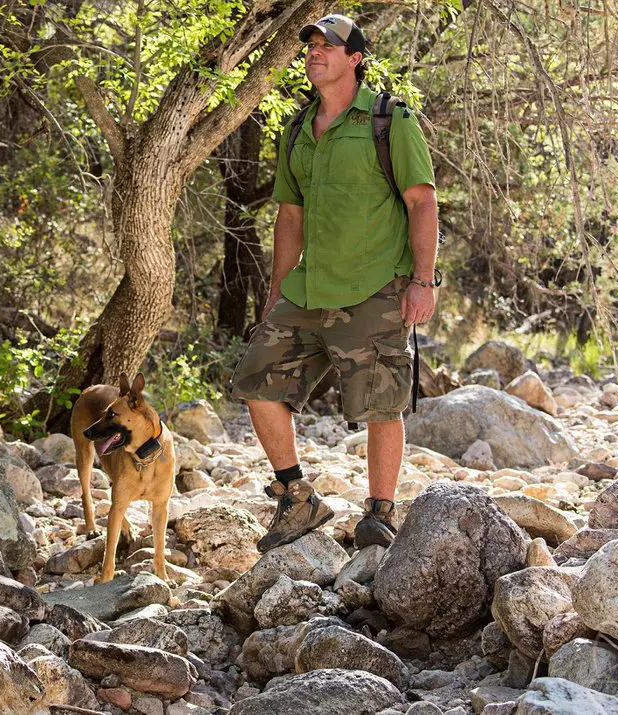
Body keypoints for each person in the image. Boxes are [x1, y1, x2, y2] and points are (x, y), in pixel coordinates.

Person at [231, 13, 439, 553]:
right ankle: (298, 499)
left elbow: (422, 203)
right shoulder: (298, 128)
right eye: (311, 45)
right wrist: (277, 289)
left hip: (374, 289)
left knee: (379, 403)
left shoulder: (391, 121)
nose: (315, 52)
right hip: (306, 290)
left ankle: (379, 513)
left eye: (329, 45)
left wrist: (423, 281)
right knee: (256, 382)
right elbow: (290, 215)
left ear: (355, 59)